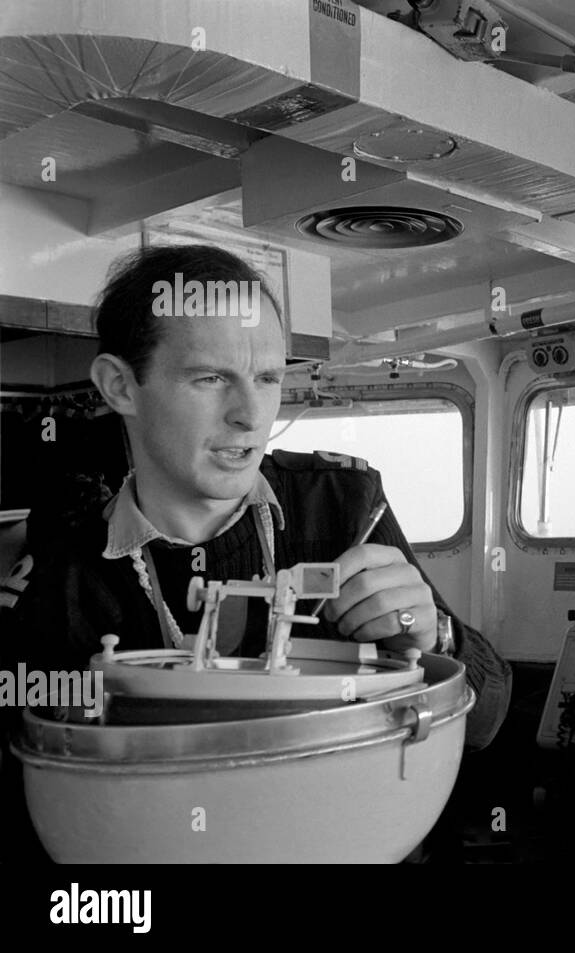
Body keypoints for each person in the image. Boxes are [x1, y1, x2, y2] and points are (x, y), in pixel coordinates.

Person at [0, 245, 511, 855]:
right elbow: (34, 789)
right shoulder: (67, 566)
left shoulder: (343, 506)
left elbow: (489, 719)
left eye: (268, 378)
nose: (250, 417)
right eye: (210, 378)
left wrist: (434, 638)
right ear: (121, 386)